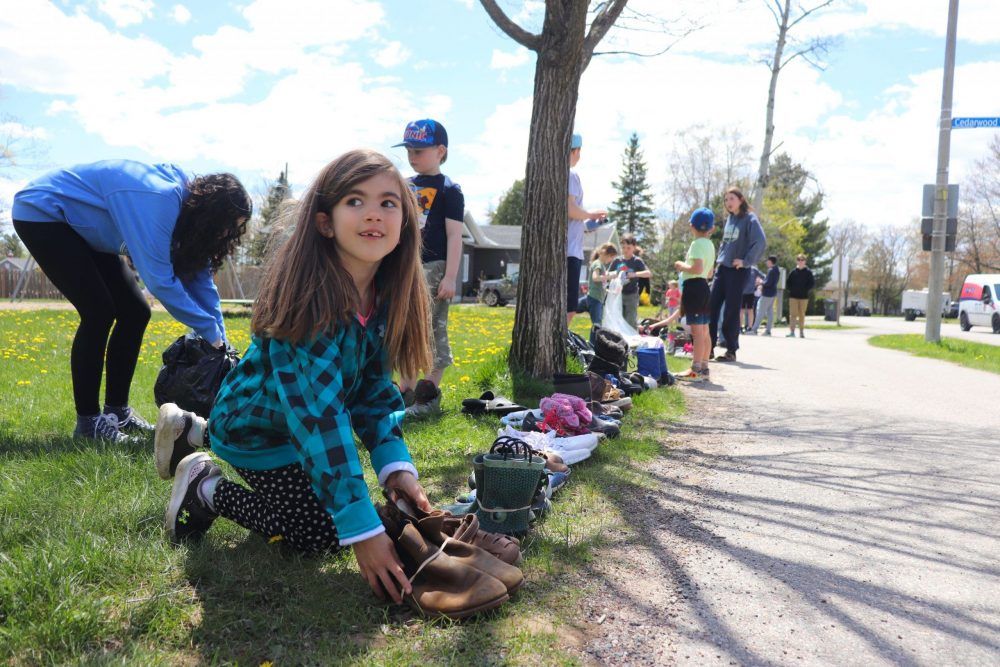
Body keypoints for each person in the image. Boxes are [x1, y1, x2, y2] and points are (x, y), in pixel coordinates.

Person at [155, 149, 434, 606]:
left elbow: (372, 394)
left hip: (291, 428)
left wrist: (395, 466)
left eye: (388, 203)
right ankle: (204, 485)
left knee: (341, 512)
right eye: (354, 201)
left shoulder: (385, 299)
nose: (373, 214)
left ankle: (193, 431)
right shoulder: (311, 304)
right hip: (256, 433)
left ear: (405, 222)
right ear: (325, 222)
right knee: (319, 533)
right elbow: (320, 420)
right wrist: (361, 527)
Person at [11, 160, 250, 442]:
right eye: (224, 227)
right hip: (44, 212)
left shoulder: (186, 216)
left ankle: (117, 413)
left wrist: (219, 341)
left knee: (135, 312)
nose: (224, 236)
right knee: (98, 312)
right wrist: (208, 332)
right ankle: (88, 425)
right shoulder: (160, 201)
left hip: (84, 229)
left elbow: (200, 280)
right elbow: (159, 280)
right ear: (211, 213)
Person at [393, 119, 464, 418]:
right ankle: (405, 389)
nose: (412, 156)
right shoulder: (403, 186)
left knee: (434, 327)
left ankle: (429, 391)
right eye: (409, 150)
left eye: (419, 150)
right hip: (405, 267)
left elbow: (454, 235)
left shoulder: (449, 190)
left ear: (440, 151)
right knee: (406, 327)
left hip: (435, 268)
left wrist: (450, 276)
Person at [646, 207, 716, 381]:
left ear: (692, 226)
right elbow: (709, 272)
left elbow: (698, 268)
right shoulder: (710, 245)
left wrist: (681, 265)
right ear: (712, 229)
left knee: (697, 333)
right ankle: (705, 368)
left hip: (694, 288)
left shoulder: (696, 244)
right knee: (705, 331)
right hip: (705, 288)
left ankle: (696, 369)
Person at [709, 186, 766, 362]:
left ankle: (731, 350)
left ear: (740, 199)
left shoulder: (750, 219)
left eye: (731, 199)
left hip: (738, 271)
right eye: (726, 200)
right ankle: (708, 347)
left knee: (732, 311)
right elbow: (725, 244)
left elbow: (760, 241)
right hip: (722, 269)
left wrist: (746, 261)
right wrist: (716, 263)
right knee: (711, 306)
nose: (728, 203)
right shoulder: (730, 219)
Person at [567, 133, 607, 325]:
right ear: (575, 151)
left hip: (567, 249)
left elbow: (573, 221)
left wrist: (591, 223)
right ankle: (558, 347)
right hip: (570, 253)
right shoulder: (571, 176)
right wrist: (591, 214)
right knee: (569, 308)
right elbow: (571, 210)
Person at [614, 233, 652, 330]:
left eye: (628, 248)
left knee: (630, 320)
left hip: (632, 295)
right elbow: (610, 273)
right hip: (618, 295)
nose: (625, 250)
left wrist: (635, 274)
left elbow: (648, 273)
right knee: (619, 319)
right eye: (623, 247)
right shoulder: (617, 260)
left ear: (634, 248)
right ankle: (620, 342)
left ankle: (633, 342)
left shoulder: (637, 261)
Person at [586, 243, 618, 331]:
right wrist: (609, 276)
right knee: (597, 325)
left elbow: (601, 286)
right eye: (611, 257)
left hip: (598, 299)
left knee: (598, 323)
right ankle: (593, 344)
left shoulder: (602, 266)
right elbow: (595, 278)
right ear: (606, 254)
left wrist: (610, 292)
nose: (612, 260)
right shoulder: (598, 264)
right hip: (594, 298)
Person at [786, 253, 816, 338]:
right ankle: (792, 332)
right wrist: (792, 290)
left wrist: (805, 290)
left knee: (801, 315)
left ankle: (801, 332)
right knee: (792, 315)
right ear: (797, 261)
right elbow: (788, 283)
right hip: (793, 297)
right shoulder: (793, 272)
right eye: (799, 260)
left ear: (805, 261)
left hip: (803, 298)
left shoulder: (808, 272)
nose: (800, 261)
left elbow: (812, 283)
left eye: (802, 260)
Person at [749, 255, 780, 336]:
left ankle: (754, 330)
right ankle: (768, 330)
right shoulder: (777, 270)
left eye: (767, 261)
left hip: (767, 294)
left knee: (760, 312)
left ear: (770, 261)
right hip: (772, 294)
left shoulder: (771, 270)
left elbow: (768, 283)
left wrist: (761, 282)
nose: (766, 262)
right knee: (770, 313)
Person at [741, 265, 764, 332]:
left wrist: (759, 283)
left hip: (751, 293)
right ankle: (739, 327)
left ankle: (750, 327)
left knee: (750, 310)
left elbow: (763, 277)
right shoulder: (742, 267)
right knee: (741, 310)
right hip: (742, 292)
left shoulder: (754, 269)